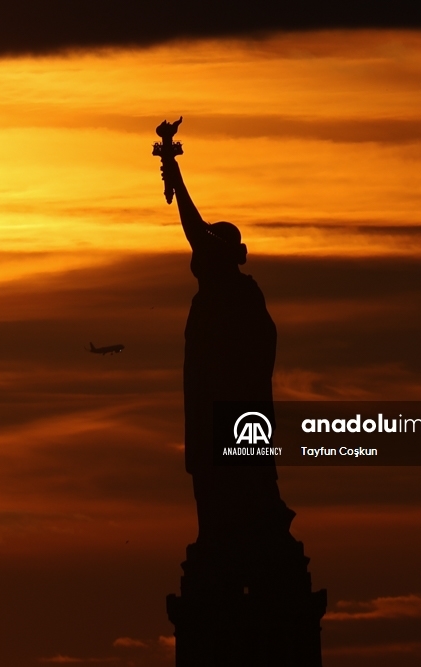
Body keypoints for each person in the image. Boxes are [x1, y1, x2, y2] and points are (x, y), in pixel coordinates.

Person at [158, 133, 295, 558]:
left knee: (232, 462)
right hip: (213, 393)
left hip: (234, 396)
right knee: (211, 464)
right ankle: (218, 531)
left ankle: (247, 526)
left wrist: (175, 174)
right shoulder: (232, 295)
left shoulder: (238, 295)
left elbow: (192, 223)